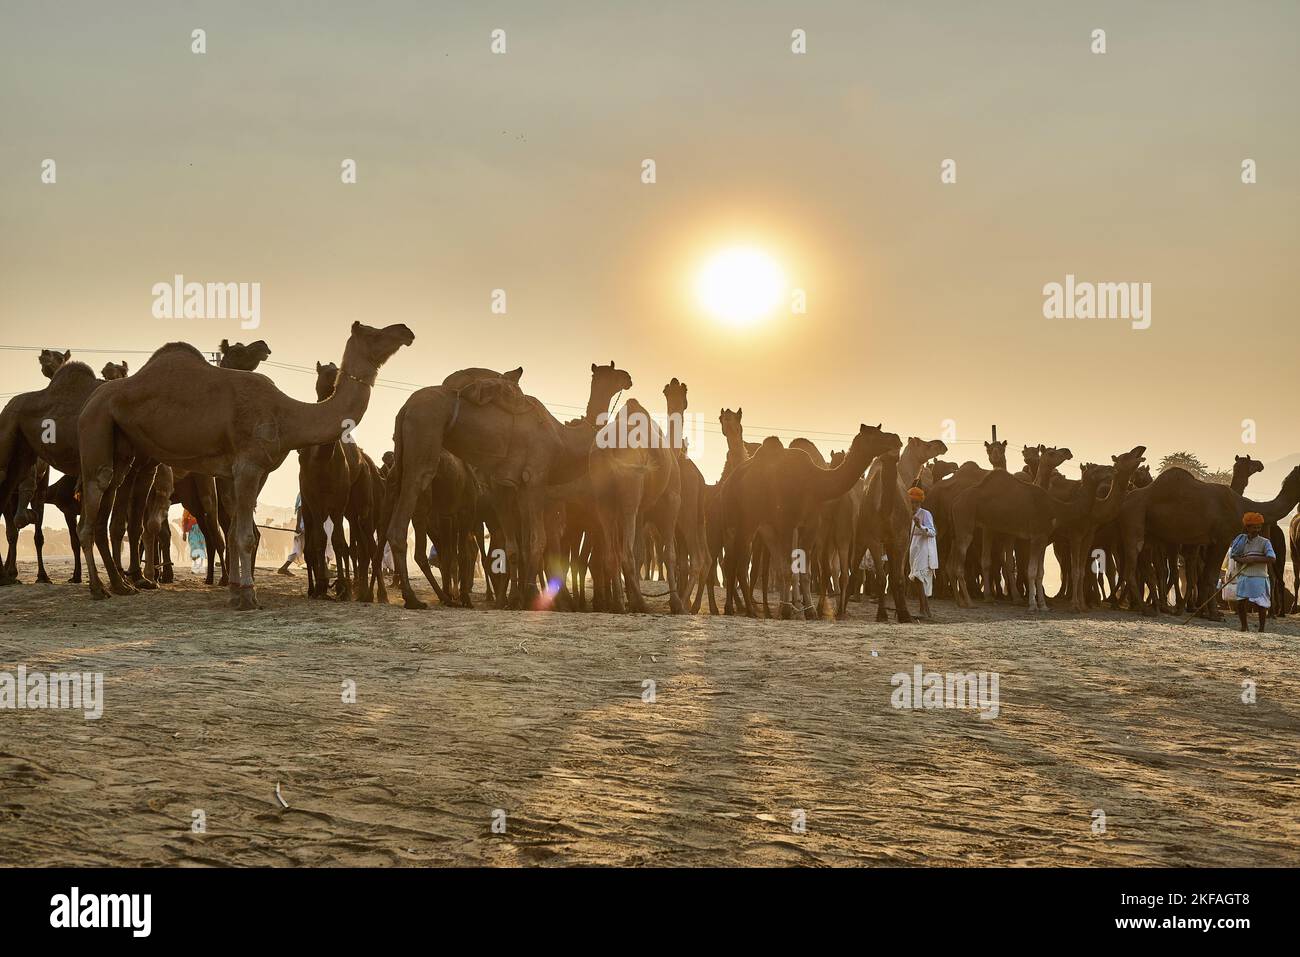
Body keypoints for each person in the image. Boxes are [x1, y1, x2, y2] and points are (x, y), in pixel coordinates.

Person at [1230, 512, 1275, 632]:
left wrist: (1254, 559)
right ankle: (1244, 626)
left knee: (1261, 605)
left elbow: (1272, 558)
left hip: (1259, 577)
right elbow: (1234, 556)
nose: (1257, 530)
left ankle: (1261, 629)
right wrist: (1243, 560)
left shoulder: (1265, 542)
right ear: (1247, 528)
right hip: (1244, 576)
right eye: (1254, 527)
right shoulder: (1241, 541)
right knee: (1240, 603)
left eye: (1259, 527)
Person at [907, 486, 938, 599]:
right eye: (911, 502)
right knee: (915, 576)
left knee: (921, 576)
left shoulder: (925, 514)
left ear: (920, 502)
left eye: (916, 503)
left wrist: (920, 526)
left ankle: (924, 607)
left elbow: (932, 532)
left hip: (924, 548)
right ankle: (924, 608)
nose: (913, 505)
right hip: (913, 548)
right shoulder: (907, 514)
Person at [277, 493, 304, 576]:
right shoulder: (304, 493)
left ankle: (284, 568)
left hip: (305, 525)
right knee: (298, 549)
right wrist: (298, 525)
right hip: (303, 526)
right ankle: (284, 568)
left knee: (299, 549)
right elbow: (300, 509)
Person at [183, 509, 206, 574]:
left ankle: (201, 567)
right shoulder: (187, 507)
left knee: (201, 547)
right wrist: (184, 532)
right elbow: (185, 519)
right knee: (193, 547)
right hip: (192, 529)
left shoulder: (202, 504)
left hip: (201, 528)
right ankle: (195, 567)